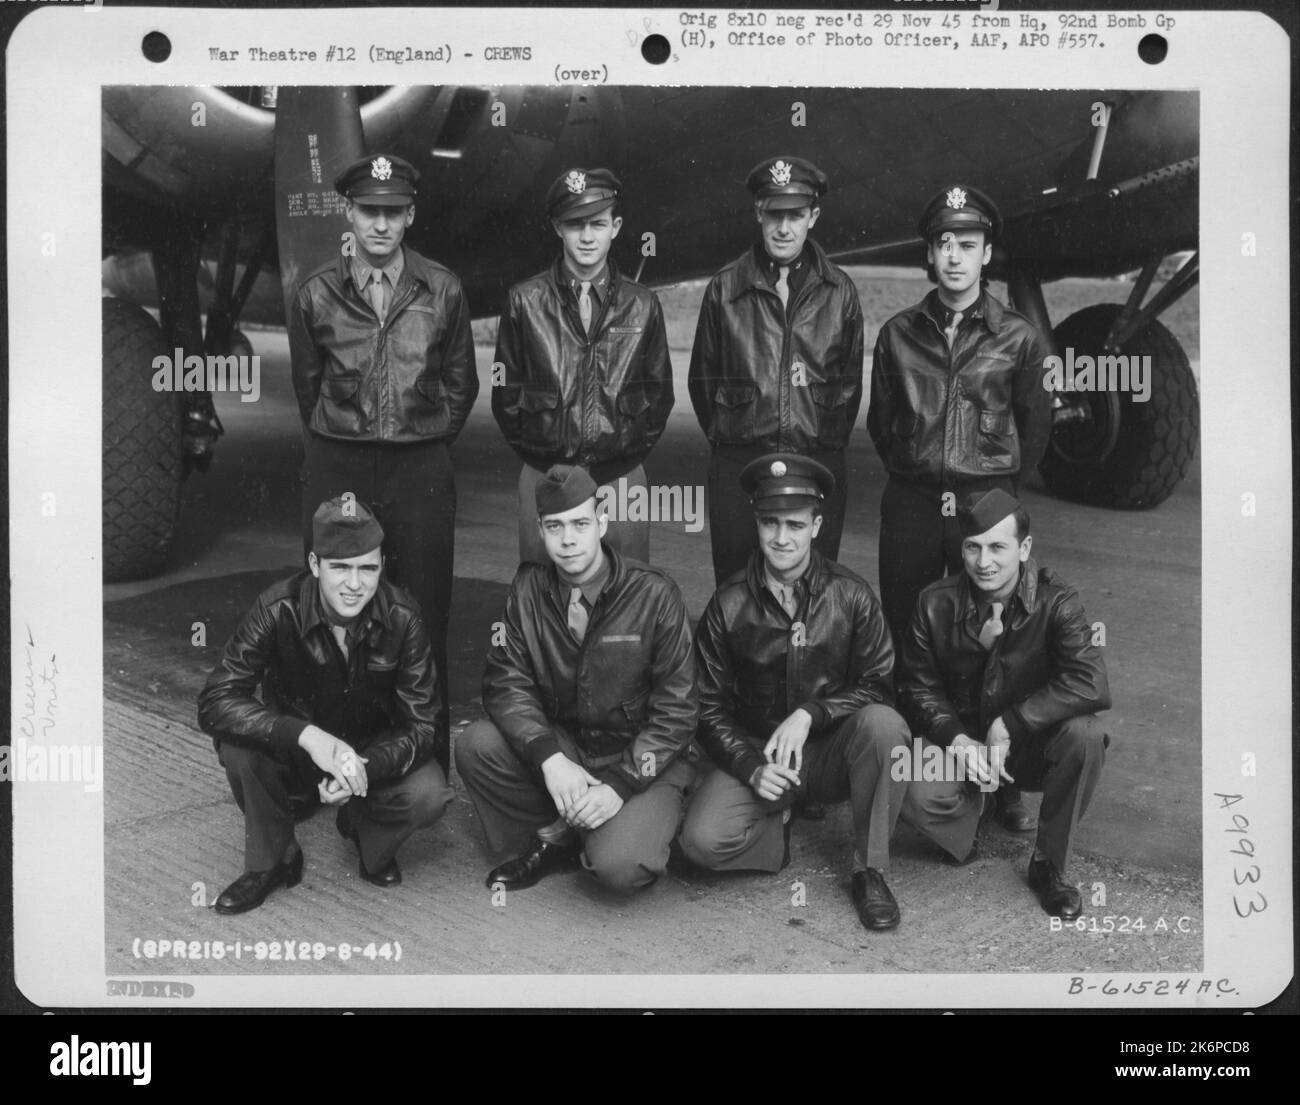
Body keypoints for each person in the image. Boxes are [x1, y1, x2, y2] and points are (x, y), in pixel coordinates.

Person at [866, 184, 1051, 830]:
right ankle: (919, 765)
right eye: (942, 244)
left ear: (986, 253)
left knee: (993, 640)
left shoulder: (1019, 339)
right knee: (909, 634)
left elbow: (1036, 428)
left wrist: (994, 495)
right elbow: (884, 425)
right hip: (914, 503)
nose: (953, 257)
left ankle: (1003, 778)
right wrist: (924, 472)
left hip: (983, 503)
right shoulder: (897, 335)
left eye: (966, 245)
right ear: (929, 253)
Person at [288, 152, 479, 774]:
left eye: (392, 213)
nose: (379, 225)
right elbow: (306, 385)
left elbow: (460, 383)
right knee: (338, 610)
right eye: (368, 211)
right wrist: (350, 437)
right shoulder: (315, 291)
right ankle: (337, 764)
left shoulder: (443, 288)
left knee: (422, 610)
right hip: (338, 462)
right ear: (349, 212)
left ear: (410, 216)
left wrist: (419, 436)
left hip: (418, 465)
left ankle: (425, 769)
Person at [679, 454, 911, 930]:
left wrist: (813, 713)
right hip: (760, 753)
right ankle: (776, 823)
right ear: (757, 523)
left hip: (829, 754)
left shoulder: (851, 595)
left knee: (886, 726)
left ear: (817, 526)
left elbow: (880, 685)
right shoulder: (728, 603)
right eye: (770, 523)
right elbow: (706, 707)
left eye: (795, 524)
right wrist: (750, 766)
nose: (781, 538)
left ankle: (870, 870)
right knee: (700, 843)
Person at [198, 497, 452, 914]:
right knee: (237, 745)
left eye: (367, 568)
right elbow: (215, 700)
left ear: (381, 566)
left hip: (368, 752)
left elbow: (424, 725)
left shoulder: (404, 617)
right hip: (299, 750)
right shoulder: (278, 606)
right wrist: (306, 736)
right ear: (315, 565)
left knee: (429, 792)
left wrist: (362, 768)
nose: (355, 584)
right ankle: (274, 860)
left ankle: (364, 828)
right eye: (340, 567)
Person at [455, 465, 698, 894]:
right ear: (541, 530)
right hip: (572, 750)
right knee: (478, 745)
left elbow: (677, 710)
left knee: (622, 868)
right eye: (555, 526)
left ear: (601, 523)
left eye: (580, 524)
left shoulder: (654, 594)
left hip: (639, 758)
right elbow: (505, 682)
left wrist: (620, 785)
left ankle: (591, 828)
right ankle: (558, 837)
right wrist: (551, 759)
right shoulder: (528, 588)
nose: (568, 539)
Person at [895, 489, 1110, 919]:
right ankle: (971, 816)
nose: (983, 561)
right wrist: (957, 740)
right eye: (973, 547)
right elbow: (917, 687)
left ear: (1024, 548)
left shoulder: (1056, 602)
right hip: (963, 743)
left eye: (997, 547)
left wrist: (1011, 723)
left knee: (1085, 736)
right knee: (912, 789)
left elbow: (1092, 683)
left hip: (1026, 747)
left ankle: (1049, 866)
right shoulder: (934, 602)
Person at [688, 155, 864, 587]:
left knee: (811, 595)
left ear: (813, 217)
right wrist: (739, 436)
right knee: (736, 593)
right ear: (758, 214)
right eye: (774, 215)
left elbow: (848, 388)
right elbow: (702, 382)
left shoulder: (840, 292)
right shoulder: (725, 288)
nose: (784, 228)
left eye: (796, 216)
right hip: (740, 466)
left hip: (814, 464)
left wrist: (815, 441)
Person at [492, 167, 674, 563]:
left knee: (627, 602)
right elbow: (504, 394)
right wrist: (542, 457)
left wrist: (624, 455)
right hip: (546, 477)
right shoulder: (524, 301)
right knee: (542, 602)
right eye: (575, 224)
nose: (588, 236)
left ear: (616, 226)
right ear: (557, 227)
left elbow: (659, 394)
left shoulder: (642, 305)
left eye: (598, 223)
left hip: (621, 480)